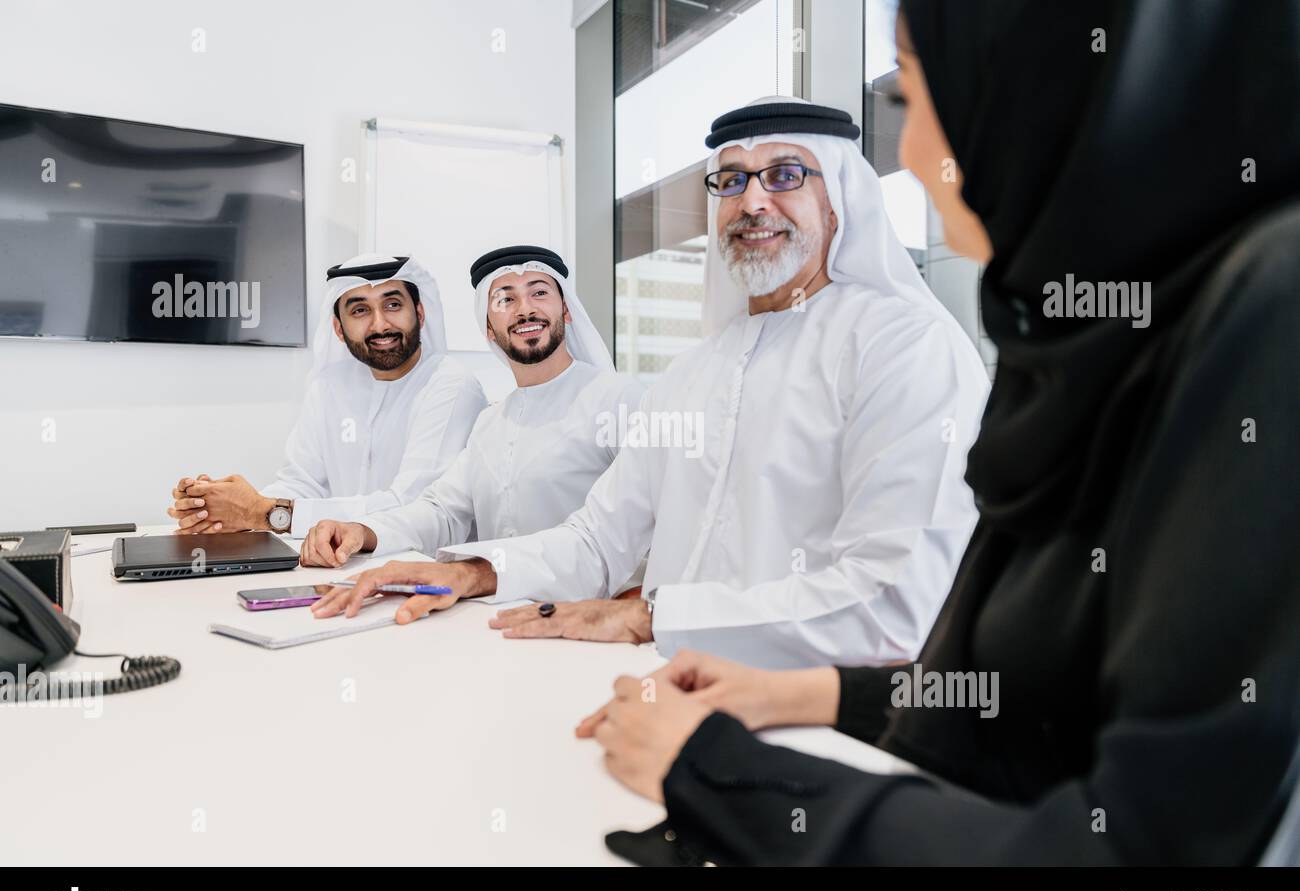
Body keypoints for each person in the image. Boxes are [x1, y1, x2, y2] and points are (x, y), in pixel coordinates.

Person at [577, 0, 1300, 865]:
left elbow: (1163, 879)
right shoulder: (1073, 341)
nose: (911, 154)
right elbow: (1022, 702)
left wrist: (717, 774)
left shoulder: (1267, 316)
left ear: (1038, 89)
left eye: (913, 97)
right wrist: (806, 694)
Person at [326, 98, 989, 669]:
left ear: (838, 200)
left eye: (785, 175)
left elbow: (894, 600)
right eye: (730, 181)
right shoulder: (691, 374)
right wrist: (471, 572)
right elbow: (597, 538)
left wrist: (655, 618)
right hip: (657, 697)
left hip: (815, 731)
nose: (752, 200)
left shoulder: (904, 347)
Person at [304, 246, 644, 623]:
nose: (525, 309)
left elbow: (608, 536)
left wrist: (470, 574)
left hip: (596, 625)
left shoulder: (622, 401)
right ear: (488, 327)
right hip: (499, 622)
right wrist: (362, 532)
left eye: (539, 292)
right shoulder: (491, 421)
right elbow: (442, 510)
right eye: (505, 299)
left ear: (565, 310)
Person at [166, 255, 486, 538]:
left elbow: (412, 506)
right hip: (338, 564)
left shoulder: (451, 384)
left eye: (392, 305)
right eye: (360, 310)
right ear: (338, 328)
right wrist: (217, 507)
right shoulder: (330, 385)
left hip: (424, 575)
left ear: (419, 312)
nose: (380, 324)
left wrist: (266, 513)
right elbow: (302, 483)